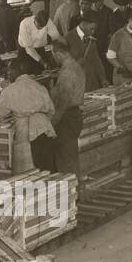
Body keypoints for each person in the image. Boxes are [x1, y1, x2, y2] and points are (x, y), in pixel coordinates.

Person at [0, 56, 57, 172]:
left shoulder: (11, 90)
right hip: (46, 130)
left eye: (11, 71)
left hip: (27, 133)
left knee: (29, 172)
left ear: (19, 70)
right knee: (48, 169)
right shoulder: (39, 86)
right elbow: (51, 110)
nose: (8, 74)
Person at [47, 38, 84, 178]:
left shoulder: (67, 73)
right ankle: (75, 192)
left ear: (58, 53)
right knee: (71, 156)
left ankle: (71, 195)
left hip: (66, 118)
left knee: (65, 160)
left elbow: (62, 102)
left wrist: (51, 123)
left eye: (53, 55)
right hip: (73, 115)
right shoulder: (75, 66)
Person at [68, 10, 108, 91]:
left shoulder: (91, 40)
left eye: (95, 30)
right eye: (91, 29)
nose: (93, 32)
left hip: (92, 84)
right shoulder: (68, 39)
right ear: (83, 23)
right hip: (76, 86)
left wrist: (103, 78)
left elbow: (96, 61)